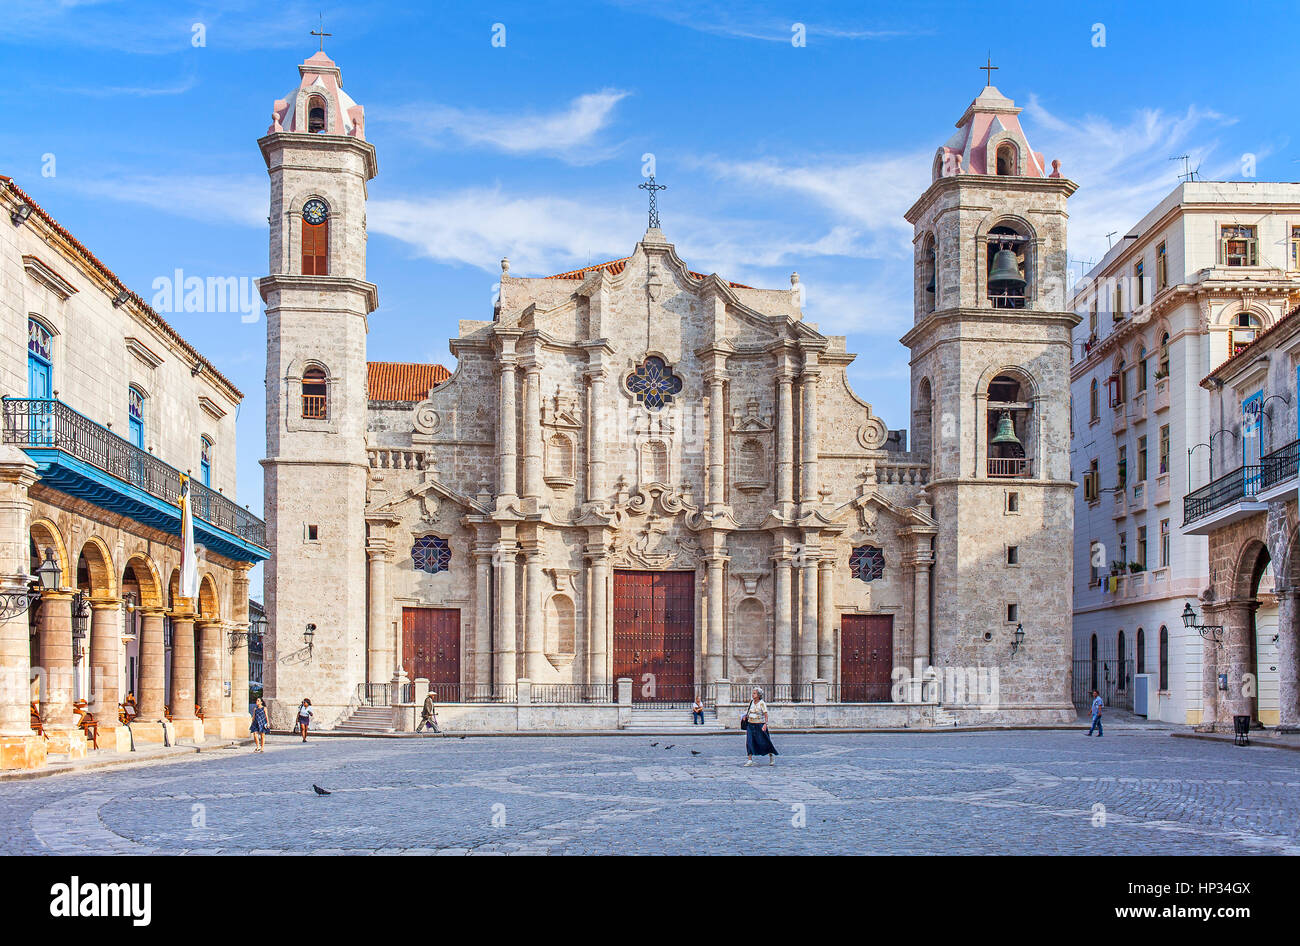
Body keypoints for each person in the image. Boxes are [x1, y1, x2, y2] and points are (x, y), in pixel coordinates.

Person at [743, 687, 778, 766]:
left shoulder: (762, 703)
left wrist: (765, 724)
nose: (753, 695)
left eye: (754, 693)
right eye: (753, 693)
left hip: (760, 725)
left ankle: (771, 755)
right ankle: (749, 760)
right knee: (749, 742)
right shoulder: (751, 702)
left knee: (764, 742)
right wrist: (745, 716)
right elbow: (749, 711)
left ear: (759, 695)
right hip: (750, 724)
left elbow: (765, 714)